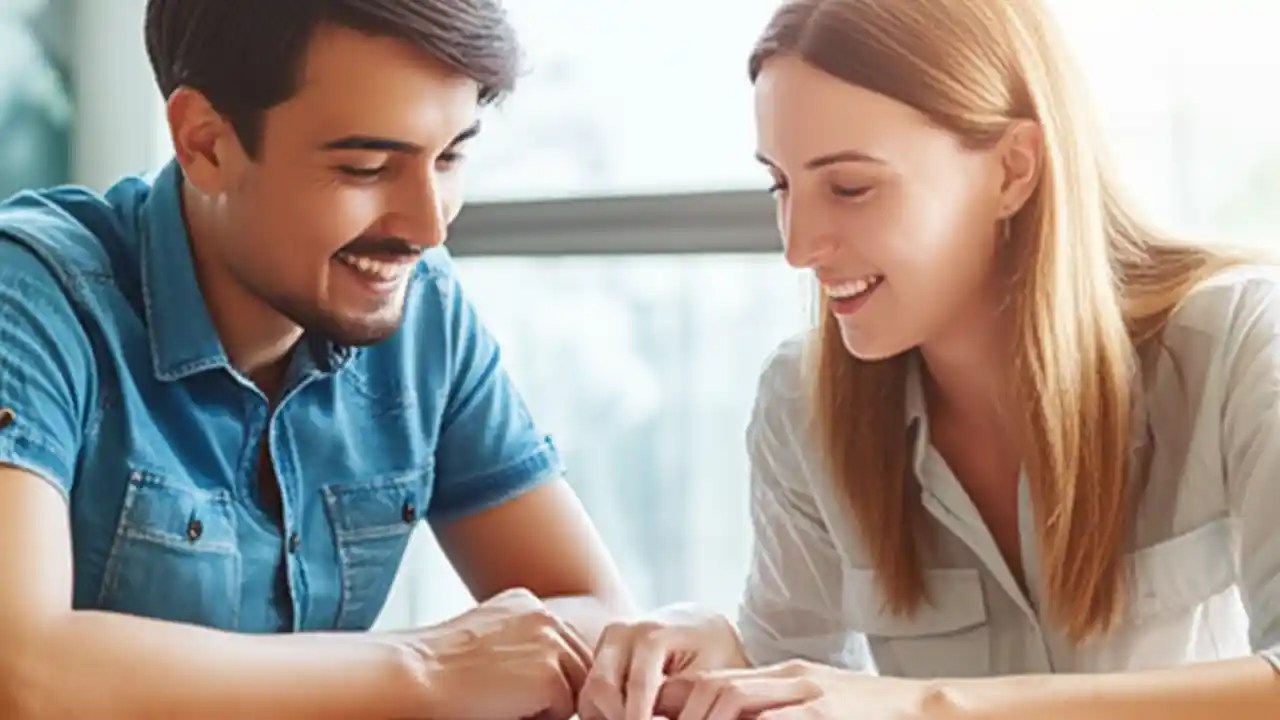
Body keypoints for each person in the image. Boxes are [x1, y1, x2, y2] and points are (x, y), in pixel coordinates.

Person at [577, 1, 1280, 718]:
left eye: (851, 187)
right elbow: (801, 677)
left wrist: (934, 706)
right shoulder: (801, 404)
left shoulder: (1239, 343)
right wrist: (726, 658)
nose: (798, 247)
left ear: (1012, 170)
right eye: (781, 186)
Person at [0, 1, 631, 718]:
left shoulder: (421, 311)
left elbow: (598, 619)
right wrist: (423, 670)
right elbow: (20, 671)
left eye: (452, 155)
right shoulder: (27, 297)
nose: (429, 225)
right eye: (366, 168)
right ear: (205, 143)